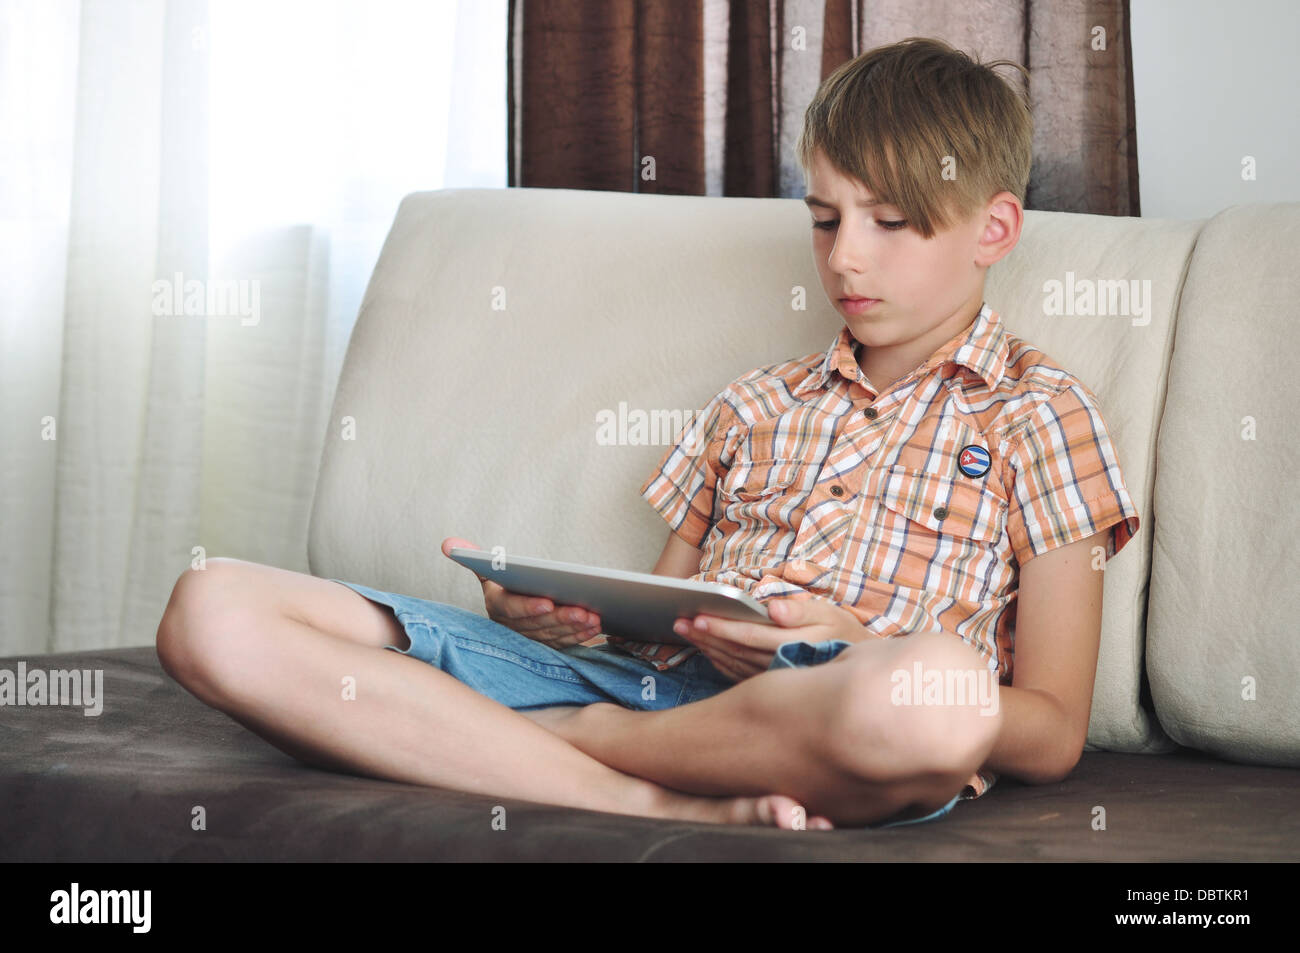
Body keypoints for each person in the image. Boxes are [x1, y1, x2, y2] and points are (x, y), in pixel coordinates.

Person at [155, 36, 1140, 831]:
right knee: (213, 608)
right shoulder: (754, 402)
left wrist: (849, 646)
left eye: (888, 221)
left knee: (935, 693)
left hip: (831, 714)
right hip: (643, 691)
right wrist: (549, 616)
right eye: (823, 218)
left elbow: (1051, 732)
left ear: (993, 230)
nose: (845, 257)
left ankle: (507, 743)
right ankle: (639, 793)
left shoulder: (1040, 414)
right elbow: (668, 615)